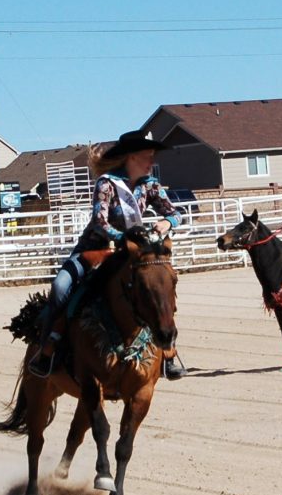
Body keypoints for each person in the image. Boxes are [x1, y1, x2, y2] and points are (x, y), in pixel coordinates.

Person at [29, 130, 187, 379]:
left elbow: (176, 212)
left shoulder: (150, 185)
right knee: (61, 287)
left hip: (131, 253)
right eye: (148, 156)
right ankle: (48, 348)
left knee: (159, 288)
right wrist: (123, 237)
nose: (152, 162)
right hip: (95, 250)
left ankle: (168, 351)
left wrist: (168, 222)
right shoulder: (107, 183)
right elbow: (99, 222)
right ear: (132, 157)